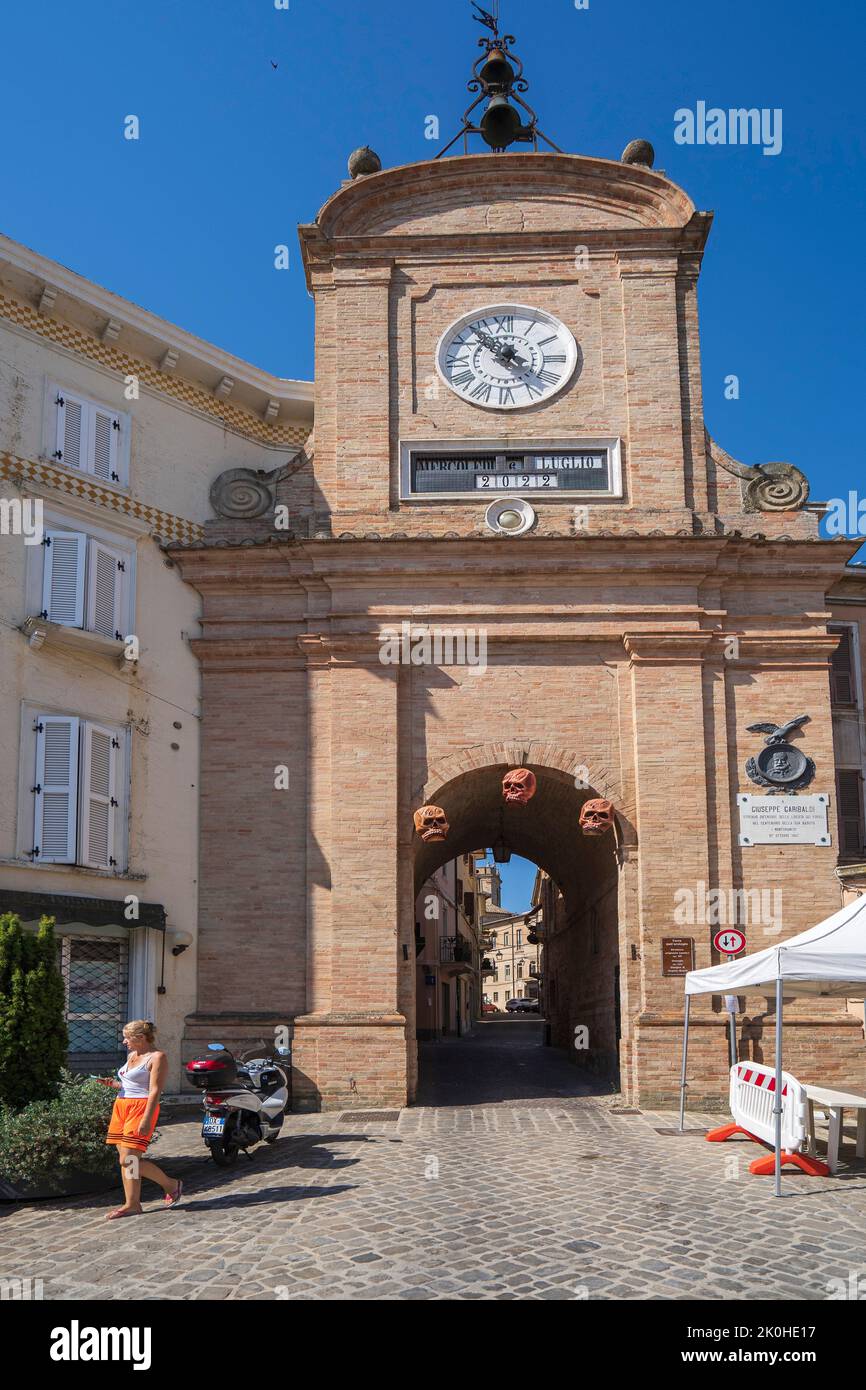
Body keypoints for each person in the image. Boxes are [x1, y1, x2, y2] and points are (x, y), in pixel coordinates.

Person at [101, 1020, 182, 1219]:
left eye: (127, 1037)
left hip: (141, 1108)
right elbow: (129, 1085)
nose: (124, 1041)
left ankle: (171, 1184)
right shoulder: (131, 1056)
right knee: (127, 1161)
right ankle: (132, 1204)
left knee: (127, 1159)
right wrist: (113, 1084)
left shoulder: (157, 1057)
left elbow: (154, 1091)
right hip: (121, 1106)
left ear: (141, 1038)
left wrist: (146, 1119)